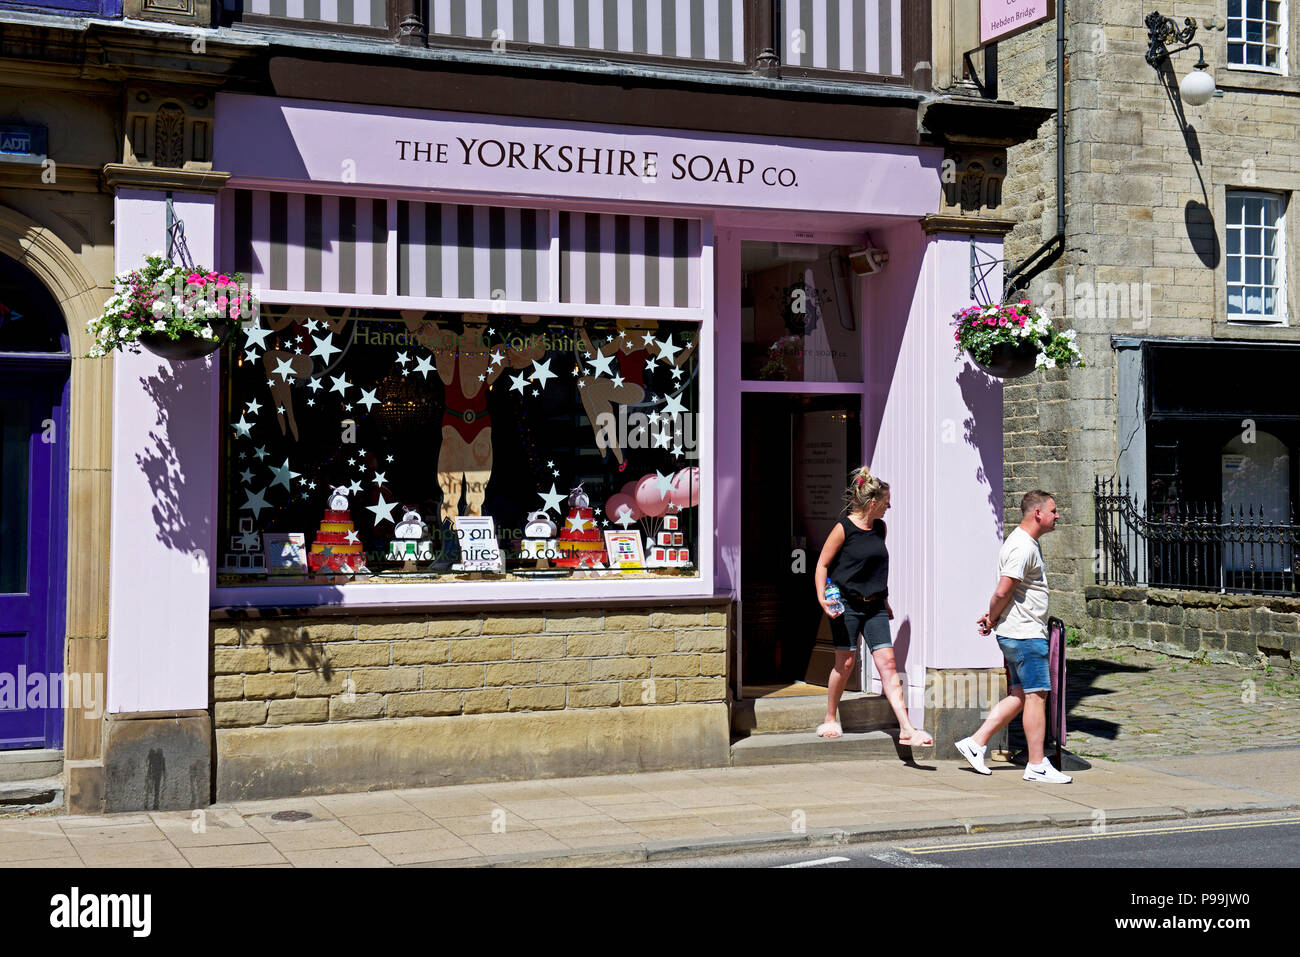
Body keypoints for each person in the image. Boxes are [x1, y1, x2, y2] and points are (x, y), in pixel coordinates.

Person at [955, 490, 1072, 783]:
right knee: (1036, 695)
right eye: (1053, 511)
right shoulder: (1022, 547)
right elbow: (1003, 590)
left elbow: (1007, 593)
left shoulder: (1024, 542)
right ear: (1038, 514)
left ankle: (975, 743)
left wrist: (993, 617)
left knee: (1020, 695)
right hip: (1025, 635)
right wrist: (992, 616)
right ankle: (1036, 764)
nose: (1057, 516)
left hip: (1017, 632)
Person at [813, 466, 932, 746]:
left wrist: (885, 600)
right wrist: (822, 597)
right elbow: (822, 564)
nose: (889, 506)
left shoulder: (880, 527)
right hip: (846, 605)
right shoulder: (844, 528)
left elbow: (875, 567)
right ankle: (831, 716)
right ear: (872, 503)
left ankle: (906, 728)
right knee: (846, 663)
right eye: (886, 501)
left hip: (875, 605)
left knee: (888, 664)